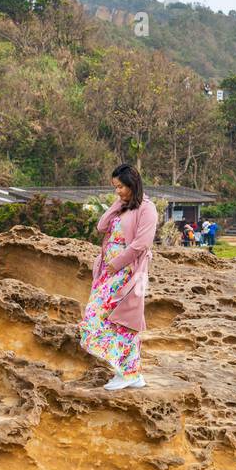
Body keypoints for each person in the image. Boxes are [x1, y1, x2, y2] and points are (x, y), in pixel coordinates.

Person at [79, 164, 155, 391]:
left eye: (120, 186)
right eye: (115, 187)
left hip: (127, 273)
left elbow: (142, 243)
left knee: (118, 321)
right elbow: (101, 226)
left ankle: (127, 372)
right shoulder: (123, 207)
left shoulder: (147, 208)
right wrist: (118, 203)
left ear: (132, 184)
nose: (117, 191)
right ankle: (131, 373)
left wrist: (116, 265)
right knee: (101, 317)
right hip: (108, 272)